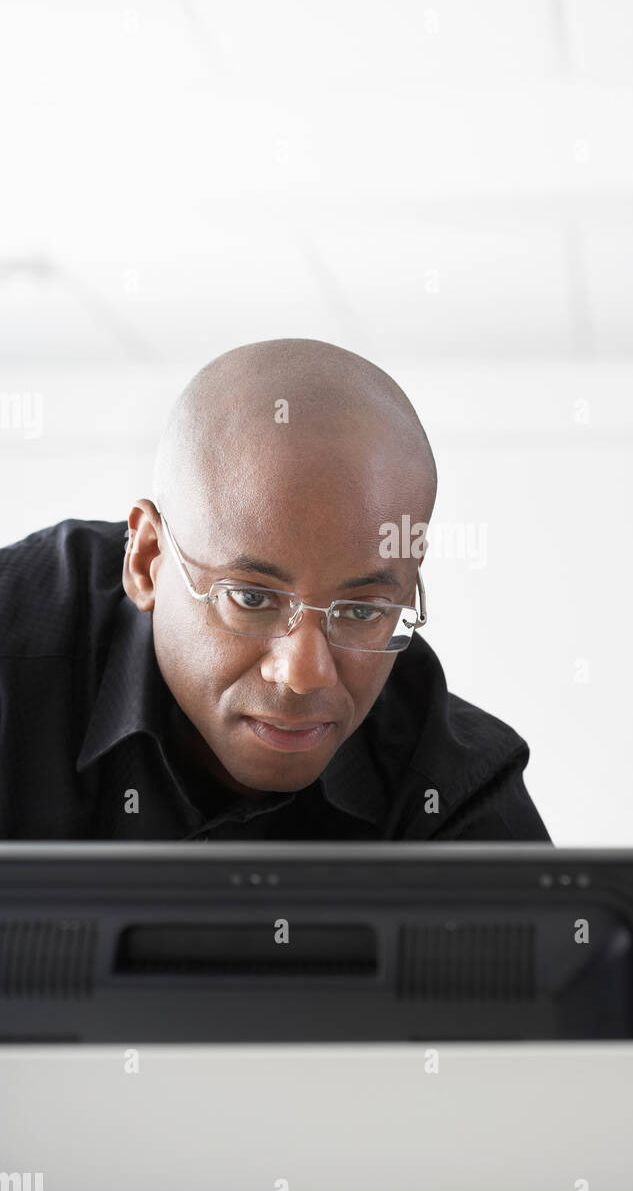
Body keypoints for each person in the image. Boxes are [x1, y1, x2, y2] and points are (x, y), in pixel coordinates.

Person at [0, 339, 551, 843]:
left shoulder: (451, 790)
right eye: (253, 598)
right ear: (147, 561)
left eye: (361, 610)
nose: (304, 673)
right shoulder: (15, 647)